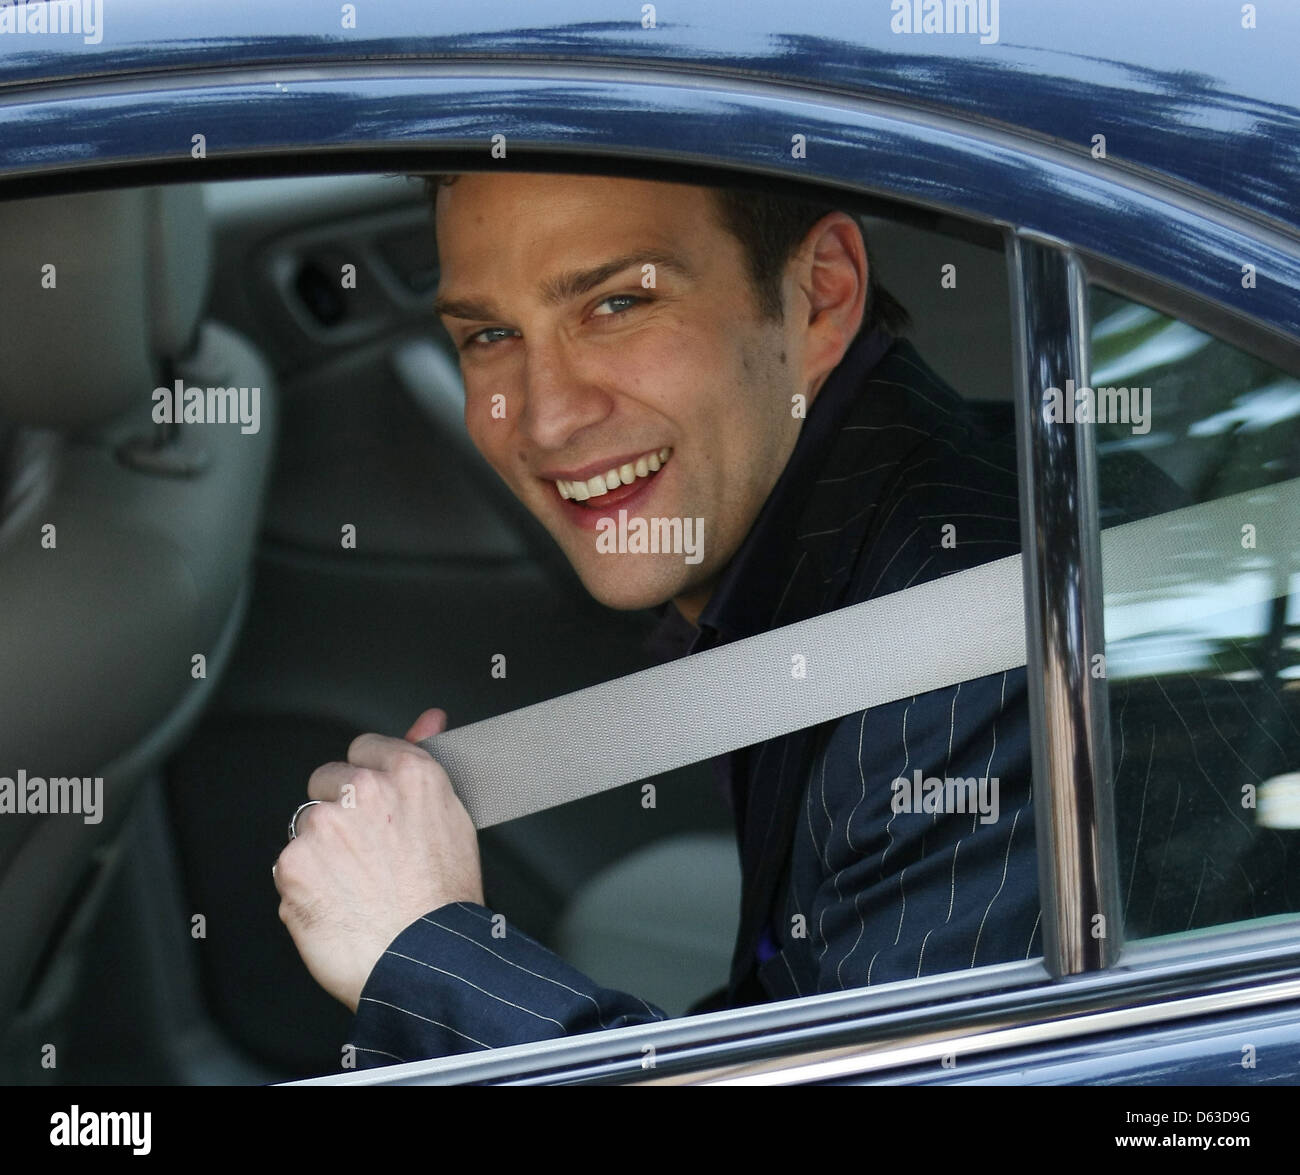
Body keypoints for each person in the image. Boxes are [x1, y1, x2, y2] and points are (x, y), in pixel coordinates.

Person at [272, 172, 1039, 1067]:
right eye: (489, 334)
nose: (549, 416)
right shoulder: (849, 547)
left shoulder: (962, 662)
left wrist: (430, 952)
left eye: (619, 304)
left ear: (819, 294)